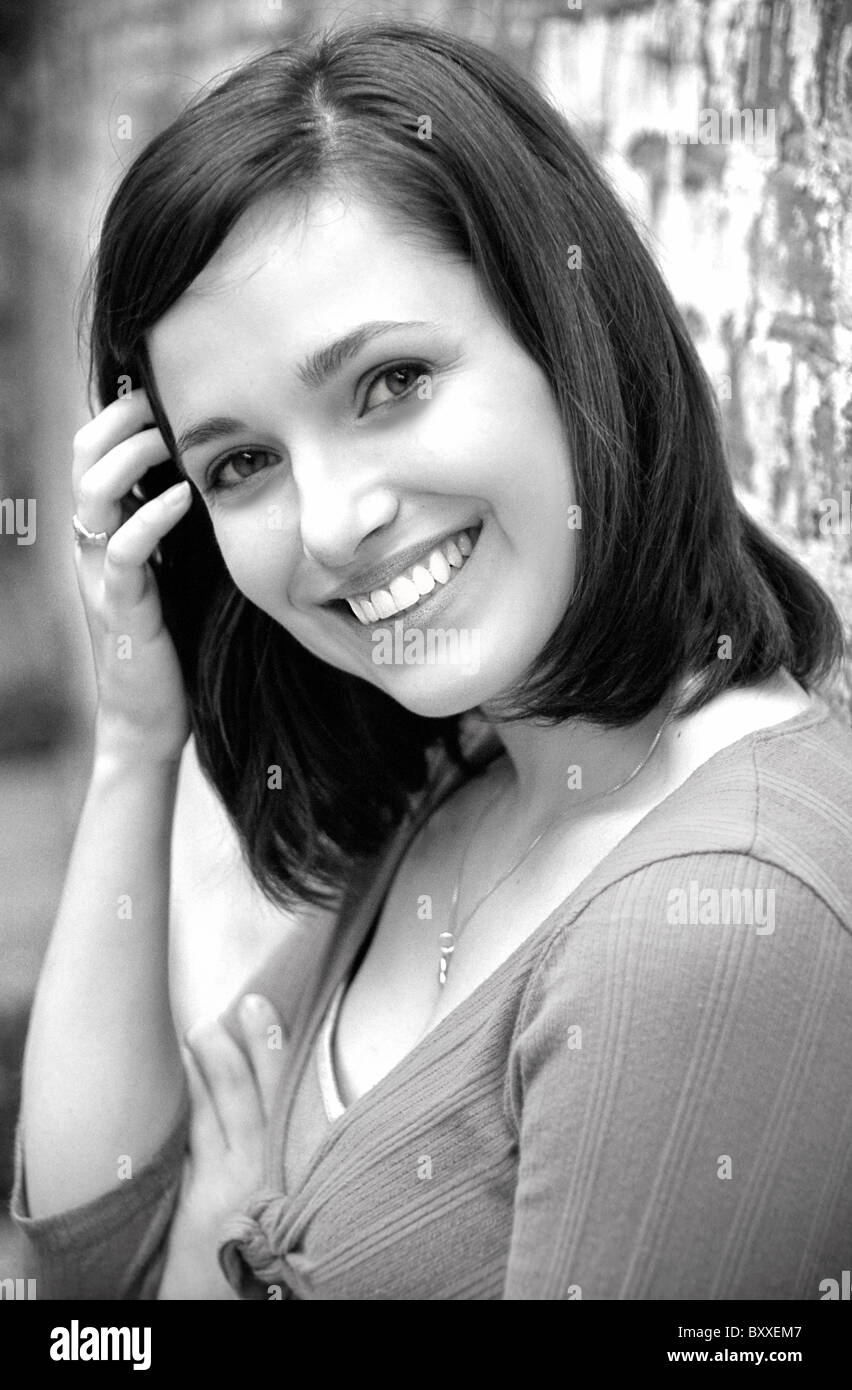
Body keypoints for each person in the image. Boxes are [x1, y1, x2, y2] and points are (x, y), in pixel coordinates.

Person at [11, 18, 852, 1300]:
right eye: (242, 462)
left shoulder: (711, 923)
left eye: (390, 381)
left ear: (568, 330)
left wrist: (204, 1277)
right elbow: (83, 1277)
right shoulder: (468, 772)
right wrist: (137, 743)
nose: (336, 522)